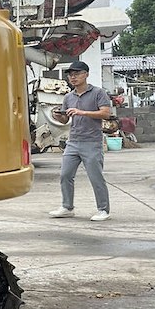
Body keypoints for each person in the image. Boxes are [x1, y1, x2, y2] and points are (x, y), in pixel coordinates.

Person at [49, 60, 113, 222]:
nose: (73, 77)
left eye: (77, 74)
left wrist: (82, 112)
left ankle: (103, 210)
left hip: (92, 141)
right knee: (65, 175)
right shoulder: (68, 97)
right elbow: (65, 121)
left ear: (86, 74)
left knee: (95, 177)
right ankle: (67, 207)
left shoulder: (98, 93)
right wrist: (59, 116)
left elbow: (105, 113)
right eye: (70, 74)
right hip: (73, 141)